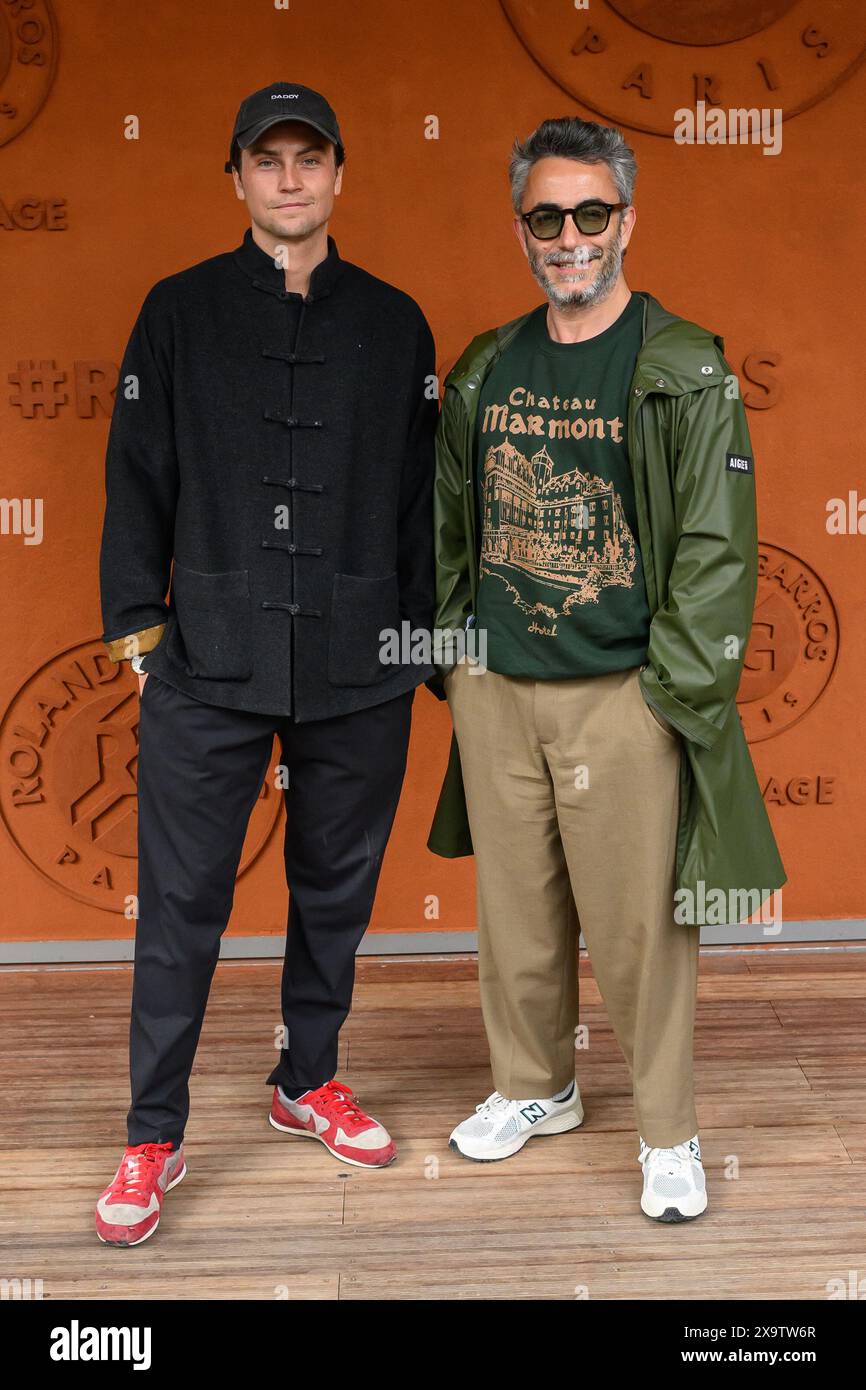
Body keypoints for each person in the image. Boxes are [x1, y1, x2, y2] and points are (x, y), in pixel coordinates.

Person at [95, 82, 437, 1246]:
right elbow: (136, 475)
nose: (289, 179)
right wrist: (143, 634)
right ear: (235, 176)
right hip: (210, 653)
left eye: (309, 158)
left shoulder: (396, 324)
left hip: (358, 656)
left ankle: (308, 1077)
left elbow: (415, 505)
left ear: (339, 173)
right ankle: (152, 1133)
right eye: (266, 160)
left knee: (333, 894)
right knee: (181, 905)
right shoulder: (176, 312)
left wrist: (424, 643)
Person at [426, 116, 786, 1221]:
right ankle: (534, 1087)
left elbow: (719, 551)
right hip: (500, 686)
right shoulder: (486, 363)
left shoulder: (682, 365)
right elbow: (447, 522)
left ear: (626, 219)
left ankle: (668, 1134)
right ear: (522, 228)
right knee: (516, 913)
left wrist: (664, 693)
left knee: (640, 929)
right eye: (547, 217)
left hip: (621, 691)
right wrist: (458, 657)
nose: (569, 237)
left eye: (590, 213)